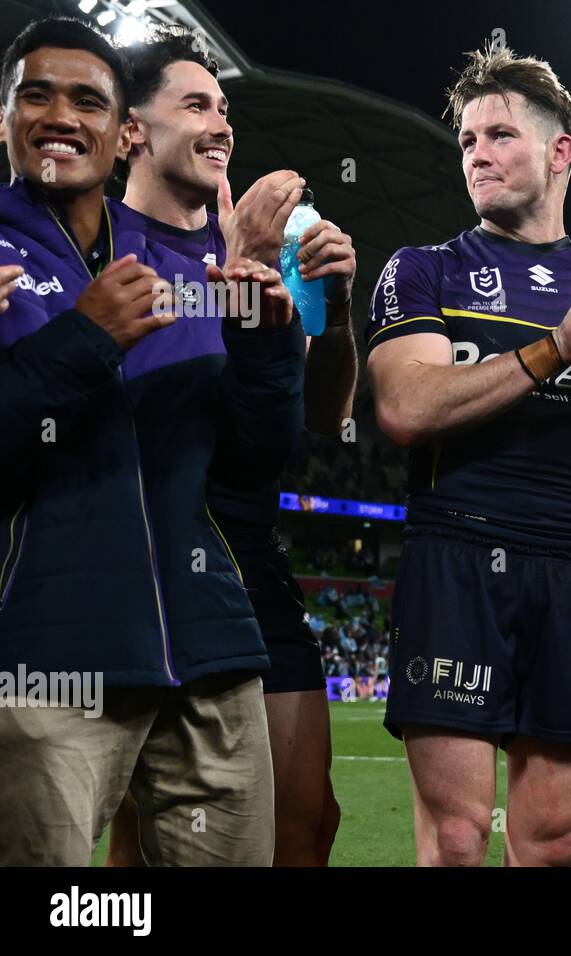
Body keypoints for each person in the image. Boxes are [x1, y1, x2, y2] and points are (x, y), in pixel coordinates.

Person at [366, 46, 571, 866]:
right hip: (458, 557)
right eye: (469, 139)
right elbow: (407, 408)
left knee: (552, 841)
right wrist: (559, 344)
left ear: (561, 152)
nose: (477, 153)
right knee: (456, 839)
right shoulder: (425, 270)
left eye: (501, 135)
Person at [0, 16, 302, 865]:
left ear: (120, 129)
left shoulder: (185, 266)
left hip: (209, 646)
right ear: (3, 118)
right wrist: (87, 338)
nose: (63, 115)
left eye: (87, 99)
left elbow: (253, 468)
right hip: (51, 656)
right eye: (36, 94)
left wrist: (265, 339)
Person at [101, 25, 358, 868]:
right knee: (149, 819)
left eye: (225, 107)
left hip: (248, 552)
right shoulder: (92, 238)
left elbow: (324, 415)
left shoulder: (270, 259)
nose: (222, 123)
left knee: (309, 820)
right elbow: (130, 403)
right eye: (196, 104)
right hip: (140, 544)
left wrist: (338, 311)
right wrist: (237, 256)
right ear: (132, 130)